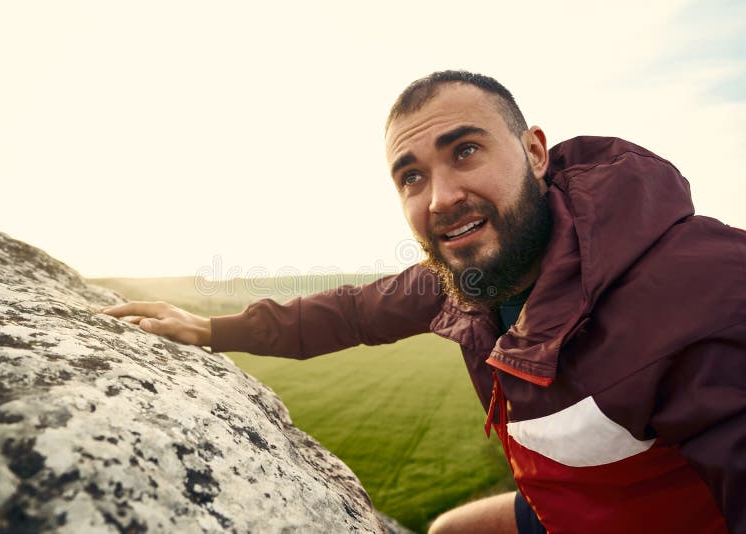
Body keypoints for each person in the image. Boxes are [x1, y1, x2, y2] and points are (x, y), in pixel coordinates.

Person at [101, 70, 745, 533]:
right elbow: (352, 311)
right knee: (449, 530)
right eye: (411, 176)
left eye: (465, 151)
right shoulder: (467, 279)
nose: (440, 198)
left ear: (534, 152)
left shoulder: (699, 292)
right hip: (565, 504)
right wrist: (212, 329)